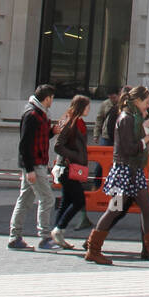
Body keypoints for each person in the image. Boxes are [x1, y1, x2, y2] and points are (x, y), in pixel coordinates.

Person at [85, 86, 149, 266]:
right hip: (124, 172)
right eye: (146, 102)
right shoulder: (126, 118)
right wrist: (147, 139)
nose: (147, 107)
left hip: (133, 172)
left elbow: (135, 145)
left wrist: (148, 136)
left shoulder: (133, 118)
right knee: (114, 209)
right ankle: (93, 249)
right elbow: (128, 148)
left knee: (147, 209)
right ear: (136, 101)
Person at [8, 84, 57, 251]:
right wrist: (29, 169)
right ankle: (44, 237)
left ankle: (15, 236)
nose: (52, 101)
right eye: (51, 98)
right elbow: (25, 144)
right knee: (47, 198)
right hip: (35, 164)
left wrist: (52, 132)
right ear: (47, 98)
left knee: (26, 199)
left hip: (36, 162)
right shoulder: (32, 115)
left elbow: (40, 137)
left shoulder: (40, 115)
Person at [50, 94, 90, 250]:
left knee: (66, 201)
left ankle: (56, 233)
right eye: (87, 106)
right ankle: (59, 229)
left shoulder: (77, 121)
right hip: (67, 167)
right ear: (81, 106)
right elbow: (58, 145)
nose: (89, 109)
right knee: (79, 201)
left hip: (72, 167)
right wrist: (74, 155)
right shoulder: (69, 120)